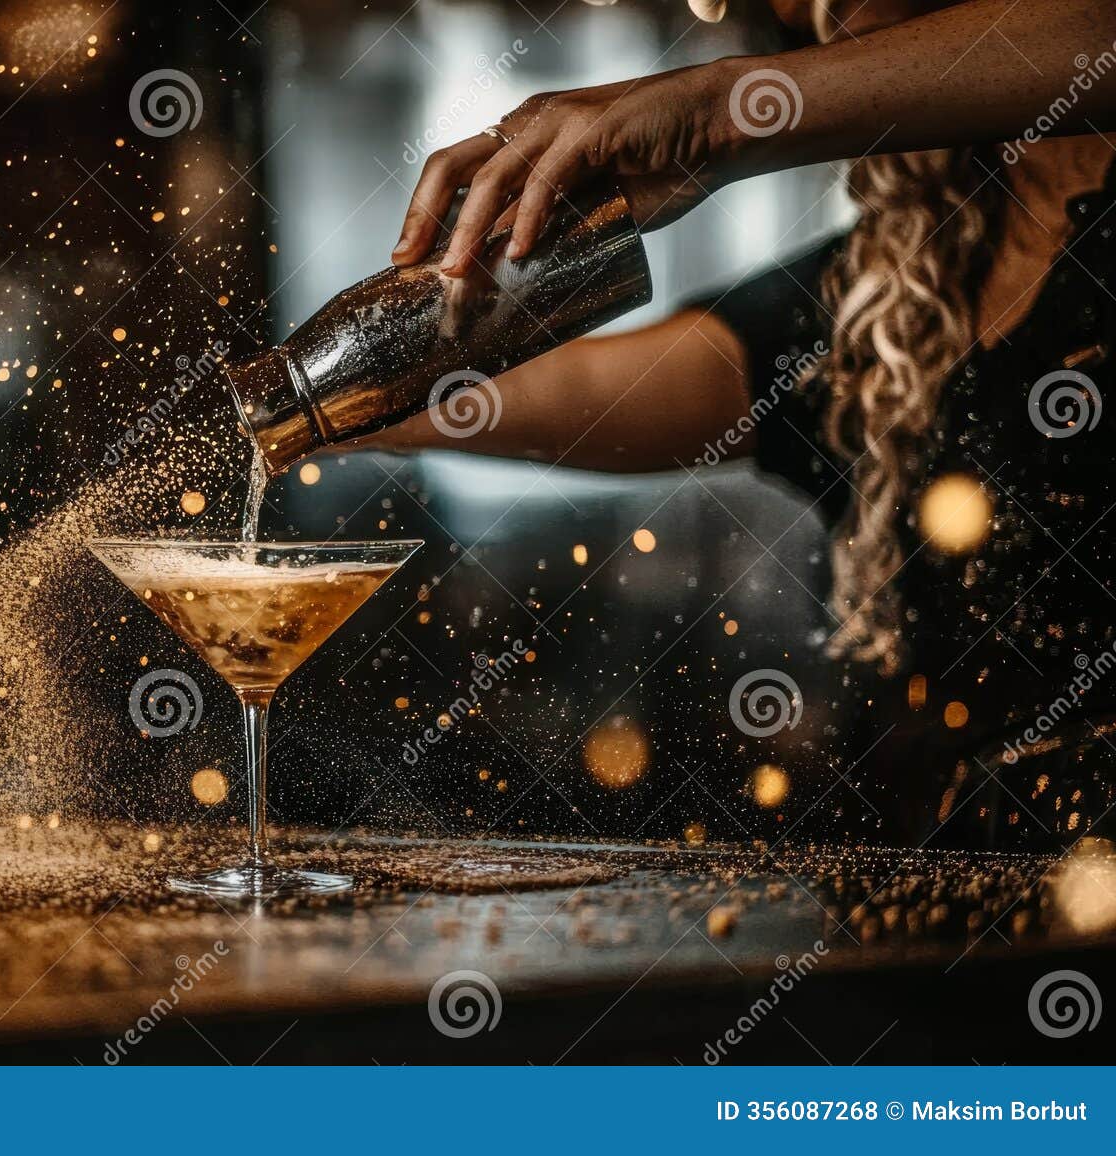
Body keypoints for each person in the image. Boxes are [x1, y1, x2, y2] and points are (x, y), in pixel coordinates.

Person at [362, 0, 1116, 847]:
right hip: (960, 914)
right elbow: (638, 382)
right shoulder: (907, 273)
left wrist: (717, 113)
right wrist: (306, 405)